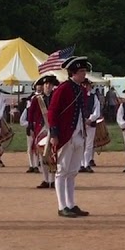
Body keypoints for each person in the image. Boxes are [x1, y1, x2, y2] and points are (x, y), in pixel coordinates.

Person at [46, 56, 93, 217]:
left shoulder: (81, 90)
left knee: (72, 171)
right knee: (62, 171)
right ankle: (62, 206)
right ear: (73, 73)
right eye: (81, 71)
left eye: (84, 71)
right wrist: (54, 133)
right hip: (66, 135)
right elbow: (52, 111)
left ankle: (71, 204)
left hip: (78, 134)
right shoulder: (63, 88)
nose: (84, 74)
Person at [21, 75, 57, 188]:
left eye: (50, 84)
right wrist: (31, 127)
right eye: (46, 84)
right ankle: (46, 179)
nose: (48, 86)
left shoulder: (56, 98)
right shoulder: (37, 99)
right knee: (42, 155)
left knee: (53, 155)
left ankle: (53, 180)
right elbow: (31, 114)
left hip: (53, 128)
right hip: (41, 129)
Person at [80, 81, 103, 173]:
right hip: (81, 123)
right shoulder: (78, 97)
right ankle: (81, 164)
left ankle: (87, 163)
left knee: (89, 145)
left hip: (91, 124)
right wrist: (82, 120)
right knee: (81, 144)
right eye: (84, 85)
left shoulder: (94, 97)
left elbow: (97, 111)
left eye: (87, 85)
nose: (86, 87)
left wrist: (90, 119)